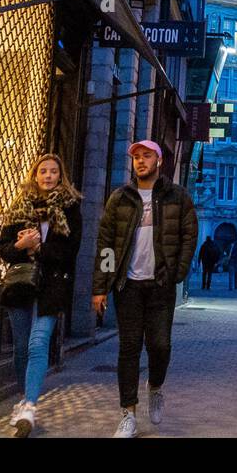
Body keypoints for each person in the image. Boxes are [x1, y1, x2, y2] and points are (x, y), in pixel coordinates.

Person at [92, 140, 196, 438]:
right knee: (129, 348)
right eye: (136, 157)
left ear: (159, 161)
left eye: (146, 156)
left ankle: (156, 387)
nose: (140, 161)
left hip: (161, 285)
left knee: (160, 346)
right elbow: (105, 244)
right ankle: (128, 414)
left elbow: (189, 235)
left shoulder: (177, 196)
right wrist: (101, 287)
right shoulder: (120, 198)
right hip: (128, 286)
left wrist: (178, 271)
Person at [0, 153, 83, 437]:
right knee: (21, 347)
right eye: (43, 171)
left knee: (37, 343)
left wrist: (39, 250)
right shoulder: (19, 206)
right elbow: (4, 250)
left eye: (53, 171)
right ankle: (23, 399)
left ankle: (30, 406)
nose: (48, 176)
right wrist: (21, 244)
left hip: (53, 285)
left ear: (61, 176)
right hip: (21, 283)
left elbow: (71, 252)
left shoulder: (70, 208)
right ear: (35, 175)